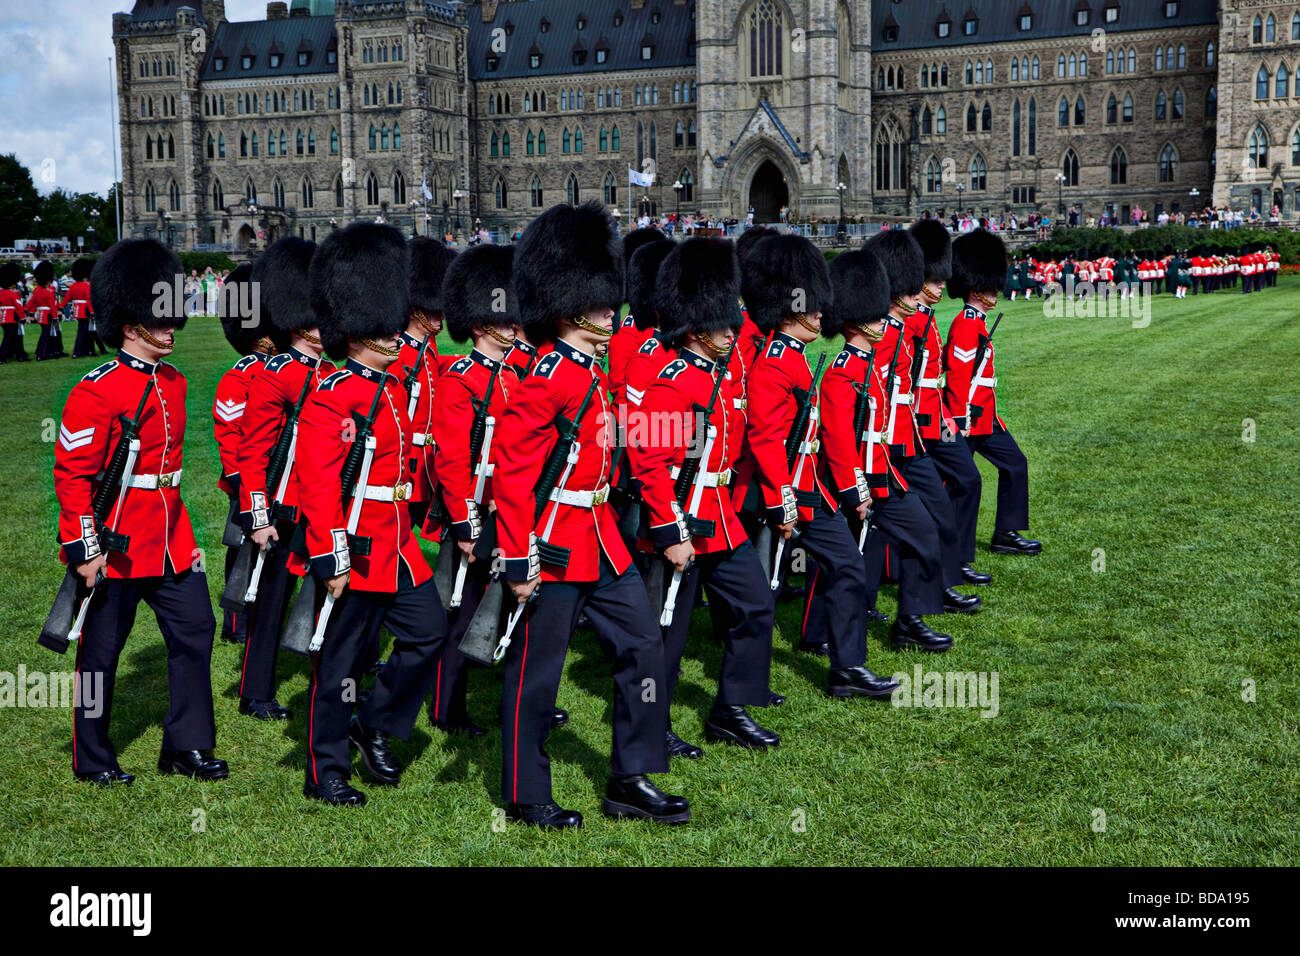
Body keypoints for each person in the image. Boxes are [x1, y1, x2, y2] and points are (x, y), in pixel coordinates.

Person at [494, 201, 686, 829]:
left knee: (643, 648)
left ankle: (632, 776)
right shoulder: (547, 377)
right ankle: (526, 792)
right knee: (537, 673)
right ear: (573, 304)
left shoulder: (592, 368)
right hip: (552, 543)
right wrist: (519, 559)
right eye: (604, 302)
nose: (615, 309)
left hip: (602, 538)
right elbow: (515, 474)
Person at [53, 238, 227, 786]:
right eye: (160, 319)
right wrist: (84, 549)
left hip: (171, 541)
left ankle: (186, 746)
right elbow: (74, 477)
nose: (171, 328)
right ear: (131, 324)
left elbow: (168, 479)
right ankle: (93, 757)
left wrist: (188, 538)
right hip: (114, 541)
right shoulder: (96, 391)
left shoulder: (172, 383)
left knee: (197, 631)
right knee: (100, 654)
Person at [291, 222, 450, 806]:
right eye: (384, 324)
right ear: (358, 332)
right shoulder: (335, 393)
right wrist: (330, 551)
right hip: (353, 543)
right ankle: (325, 769)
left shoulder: (386, 386)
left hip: (397, 542)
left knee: (428, 636)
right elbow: (317, 481)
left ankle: (375, 721)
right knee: (339, 664)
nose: (395, 331)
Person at [630, 237, 779, 757]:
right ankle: (654, 727)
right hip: (682, 520)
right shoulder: (673, 385)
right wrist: (670, 532)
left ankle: (730, 709)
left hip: (720, 517)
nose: (730, 327)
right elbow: (650, 464)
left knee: (757, 606)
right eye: (720, 321)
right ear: (696, 325)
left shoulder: (715, 375)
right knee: (667, 634)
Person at [740, 232, 900, 698]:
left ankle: (846, 669)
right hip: (785, 491)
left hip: (811, 486)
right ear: (789, 308)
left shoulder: (796, 358)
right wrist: (782, 501)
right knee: (757, 595)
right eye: (812, 309)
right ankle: (746, 686)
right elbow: (767, 439)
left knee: (847, 567)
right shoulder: (773, 364)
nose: (820, 315)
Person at [814, 245, 952, 651]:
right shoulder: (844, 371)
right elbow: (839, 440)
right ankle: (819, 633)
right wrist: (855, 489)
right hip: (859, 476)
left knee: (921, 532)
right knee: (843, 561)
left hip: (882, 466)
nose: (882, 320)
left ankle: (909, 618)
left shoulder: (867, 362)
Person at [421, 244, 518, 737]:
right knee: (457, 608)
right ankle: (446, 705)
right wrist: (464, 521)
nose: (513, 328)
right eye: (504, 322)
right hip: (474, 509)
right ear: (481, 326)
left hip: (509, 508)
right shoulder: (460, 378)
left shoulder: (516, 375)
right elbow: (452, 457)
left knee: (496, 603)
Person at [234, 238, 329, 721]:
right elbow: (252, 451)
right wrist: (257, 512)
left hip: (322, 505)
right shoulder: (277, 373)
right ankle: (256, 691)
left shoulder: (329, 372)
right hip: (283, 504)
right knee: (269, 600)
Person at [943, 229, 1042, 557]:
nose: (994, 290)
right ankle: (948, 547)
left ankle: (1006, 532)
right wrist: (960, 416)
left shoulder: (978, 321)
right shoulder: (967, 323)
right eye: (988, 286)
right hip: (969, 417)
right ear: (975, 290)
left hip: (986, 416)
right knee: (957, 486)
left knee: (1015, 464)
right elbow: (958, 375)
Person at [910, 218, 990, 588]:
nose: (941, 287)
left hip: (935, 415)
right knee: (959, 482)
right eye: (935, 280)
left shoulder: (926, 318)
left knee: (965, 481)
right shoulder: (909, 322)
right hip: (917, 420)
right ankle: (946, 565)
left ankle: (954, 560)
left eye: (943, 280)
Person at [212, 263, 281, 645]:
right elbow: (230, 438)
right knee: (242, 545)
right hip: (249, 477)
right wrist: (244, 484)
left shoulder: (281, 369)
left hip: (282, 475)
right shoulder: (241, 376)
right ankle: (236, 621)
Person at [396, 237, 457, 533]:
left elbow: (434, 371)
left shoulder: (426, 346)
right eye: (431, 310)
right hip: (407, 463)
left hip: (429, 463)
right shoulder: (399, 354)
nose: (438, 315)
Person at [62, 259, 101, 358]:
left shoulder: (73, 286)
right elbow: (89, 300)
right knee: (85, 332)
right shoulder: (86, 286)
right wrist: (92, 312)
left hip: (77, 310)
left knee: (84, 331)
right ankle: (78, 352)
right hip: (85, 311)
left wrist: (60, 307)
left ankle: (86, 351)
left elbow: (66, 298)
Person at [27, 261, 62, 360]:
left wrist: (28, 311)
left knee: (45, 333)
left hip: (41, 314)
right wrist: (55, 317)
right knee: (46, 334)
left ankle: (42, 351)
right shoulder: (48, 292)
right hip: (48, 314)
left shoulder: (37, 290)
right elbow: (52, 306)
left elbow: (32, 302)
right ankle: (42, 355)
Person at [0, 262, 29, 363]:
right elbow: (18, 307)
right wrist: (23, 318)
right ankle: (2, 357)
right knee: (10, 337)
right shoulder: (12, 294)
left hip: (3, 317)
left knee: (14, 337)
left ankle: (18, 354)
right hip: (12, 317)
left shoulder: (1, 293)